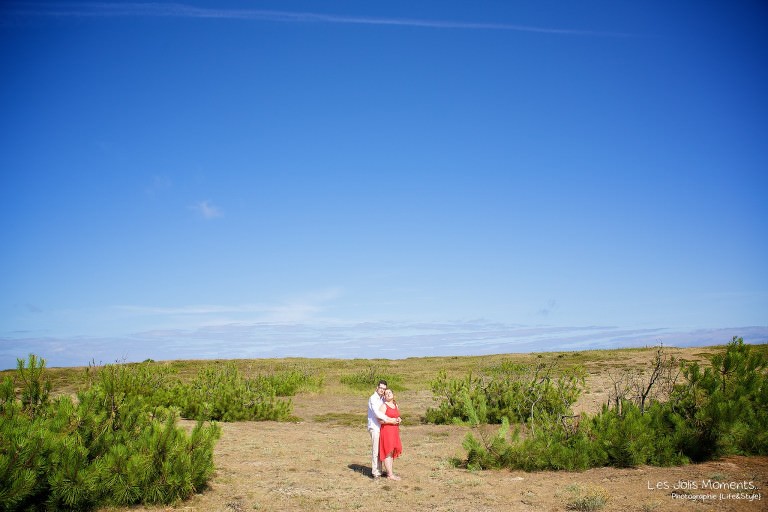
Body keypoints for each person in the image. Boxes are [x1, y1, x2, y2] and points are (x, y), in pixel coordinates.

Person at [367, 380, 399, 478]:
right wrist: (390, 420)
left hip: (382, 428)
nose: (382, 390)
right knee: (375, 450)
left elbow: (390, 407)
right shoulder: (373, 399)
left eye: (384, 389)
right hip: (375, 427)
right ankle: (375, 472)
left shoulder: (382, 399)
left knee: (382, 450)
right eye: (381, 388)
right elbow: (377, 414)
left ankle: (380, 470)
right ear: (377, 387)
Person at [378, 388, 403, 480]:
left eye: (390, 392)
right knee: (388, 451)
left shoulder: (395, 404)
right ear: (384, 397)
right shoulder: (384, 406)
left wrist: (399, 419)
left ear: (393, 394)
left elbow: (397, 416)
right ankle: (390, 475)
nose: (388, 394)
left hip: (395, 431)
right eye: (386, 393)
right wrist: (391, 422)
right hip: (387, 431)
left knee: (392, 451)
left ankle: (390, 472)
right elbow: (380, 420)